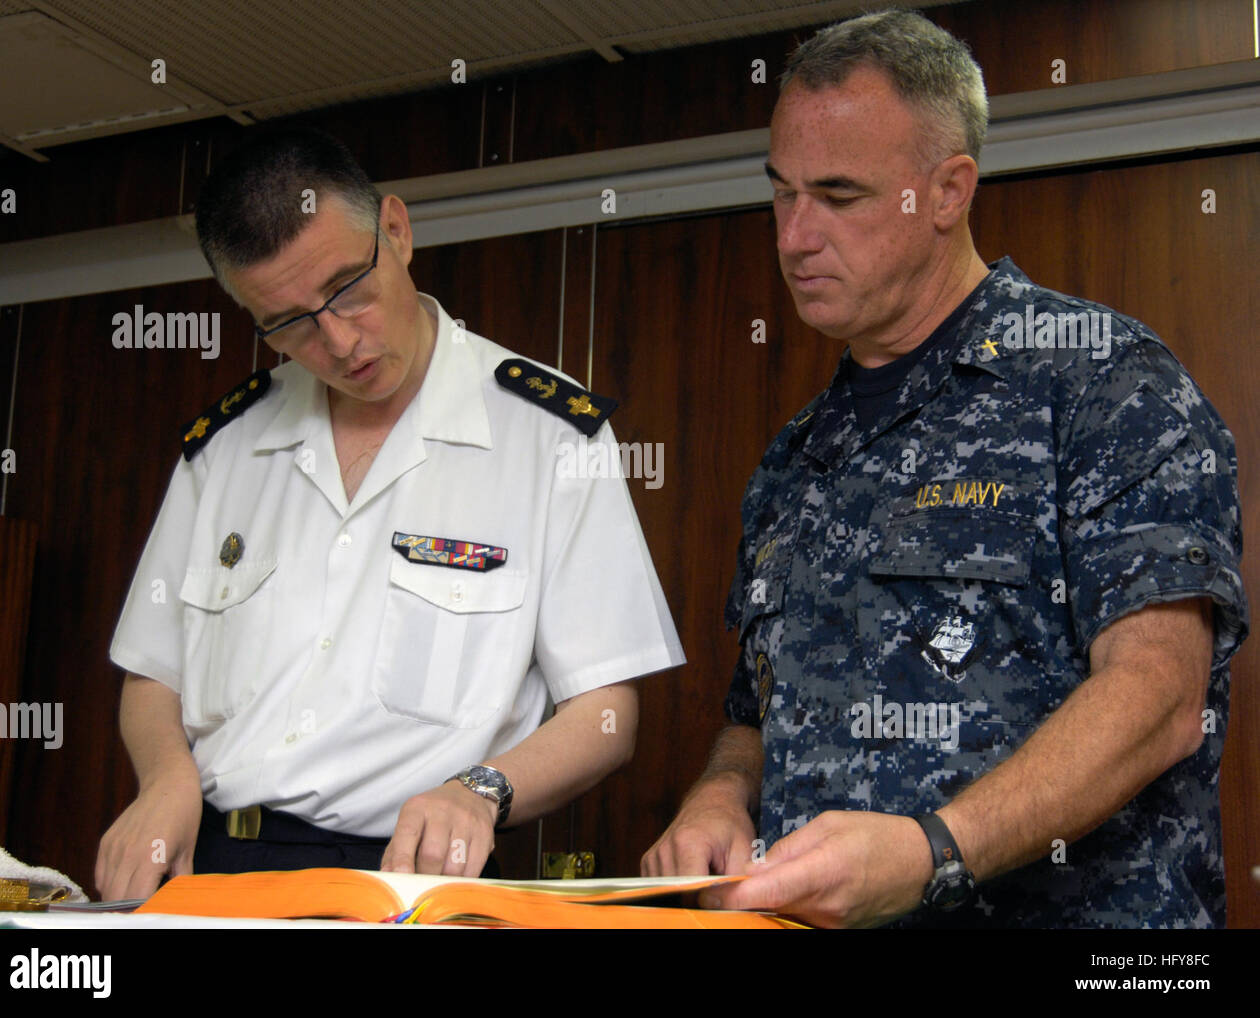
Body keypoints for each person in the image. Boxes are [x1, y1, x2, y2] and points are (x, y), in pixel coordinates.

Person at [642, 9, 1247, 928]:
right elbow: (758, 713)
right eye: (781, 193)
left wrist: (937, 851)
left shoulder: (1100, 380)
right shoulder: (796, 459)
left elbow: (1159, 695)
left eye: (839, 197)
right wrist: (721, 795)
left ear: (950, 191)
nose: (794, 236)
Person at [96, 126, 684, 900]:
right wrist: (165, 780)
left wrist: (481, 790)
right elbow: (152, 671)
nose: (338, 342)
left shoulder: (547, 434)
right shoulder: (226, 447)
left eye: (347, 291)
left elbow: (607, 710)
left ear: (398, 234)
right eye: (290, 323)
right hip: (215, 874)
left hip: (415, 881)